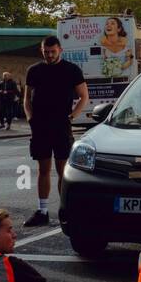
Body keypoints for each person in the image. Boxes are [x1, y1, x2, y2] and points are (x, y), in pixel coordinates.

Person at [22, 36, 88, 227]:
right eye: (46, 52)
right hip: (40, 125)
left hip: (61, 125)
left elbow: (84, 96)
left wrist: (72, 116)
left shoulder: (72, 70)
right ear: (41, 51)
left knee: (62, 170)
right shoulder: (34, 70)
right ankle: (42, 211)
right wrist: (30, 117)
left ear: (60, 50)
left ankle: (64, 210)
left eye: (53, 51)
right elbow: (26, 98)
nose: (49, 55)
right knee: (43, 169)